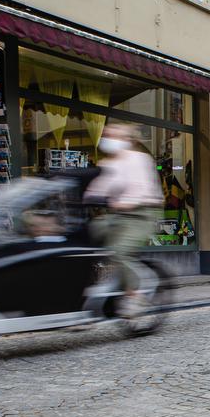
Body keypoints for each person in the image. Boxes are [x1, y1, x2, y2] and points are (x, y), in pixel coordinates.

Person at [84, 123, 164, 315]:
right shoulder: (108, 163)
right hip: (116, 216)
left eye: (115, 135)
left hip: (142, 214)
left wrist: (127, 202)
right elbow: (98, 187)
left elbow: (143, 187)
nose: (110, 139)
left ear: (128, 140)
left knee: (120, 252)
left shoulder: (139, 160)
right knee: (83, 240)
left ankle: (135, 296)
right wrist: (86, 196)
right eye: (108, 134)